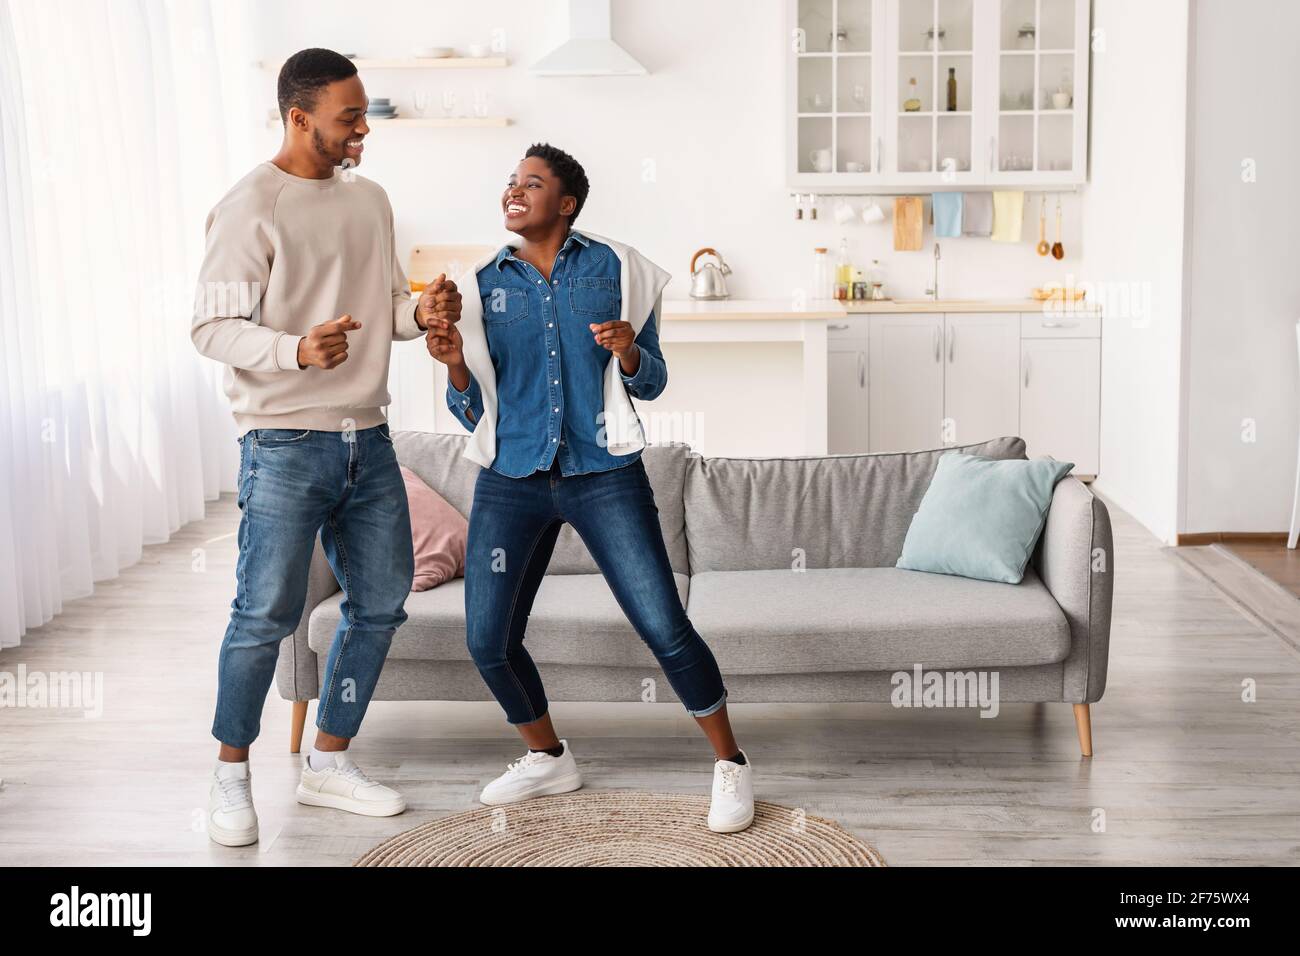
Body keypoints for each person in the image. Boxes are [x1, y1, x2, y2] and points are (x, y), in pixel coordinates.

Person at [425, 143, 754, 832]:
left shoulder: (621, 271)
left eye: (532, 184)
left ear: (566, 203)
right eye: (510, 182)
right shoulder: (481, 282)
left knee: (664, 625)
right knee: (487, 640)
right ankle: (547, 756)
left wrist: (630, 348)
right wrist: (455, 364)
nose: (514, 192)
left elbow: (653, 381)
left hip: (604, 473)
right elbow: (470, 408)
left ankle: (731, 764)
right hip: (511, 480)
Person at [190, 48, 461, 846]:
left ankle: (329, 762)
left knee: (380, 603)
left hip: (368, 442)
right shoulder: (248, 207)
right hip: (282, 444)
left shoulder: (370, 200)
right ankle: (229, 775)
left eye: (364, 114)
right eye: (349, 117)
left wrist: (425, 316)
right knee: (263, 612)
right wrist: (295, 352)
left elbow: (386, 309)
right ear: (299, 117)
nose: (361, 131)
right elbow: (209, 328)